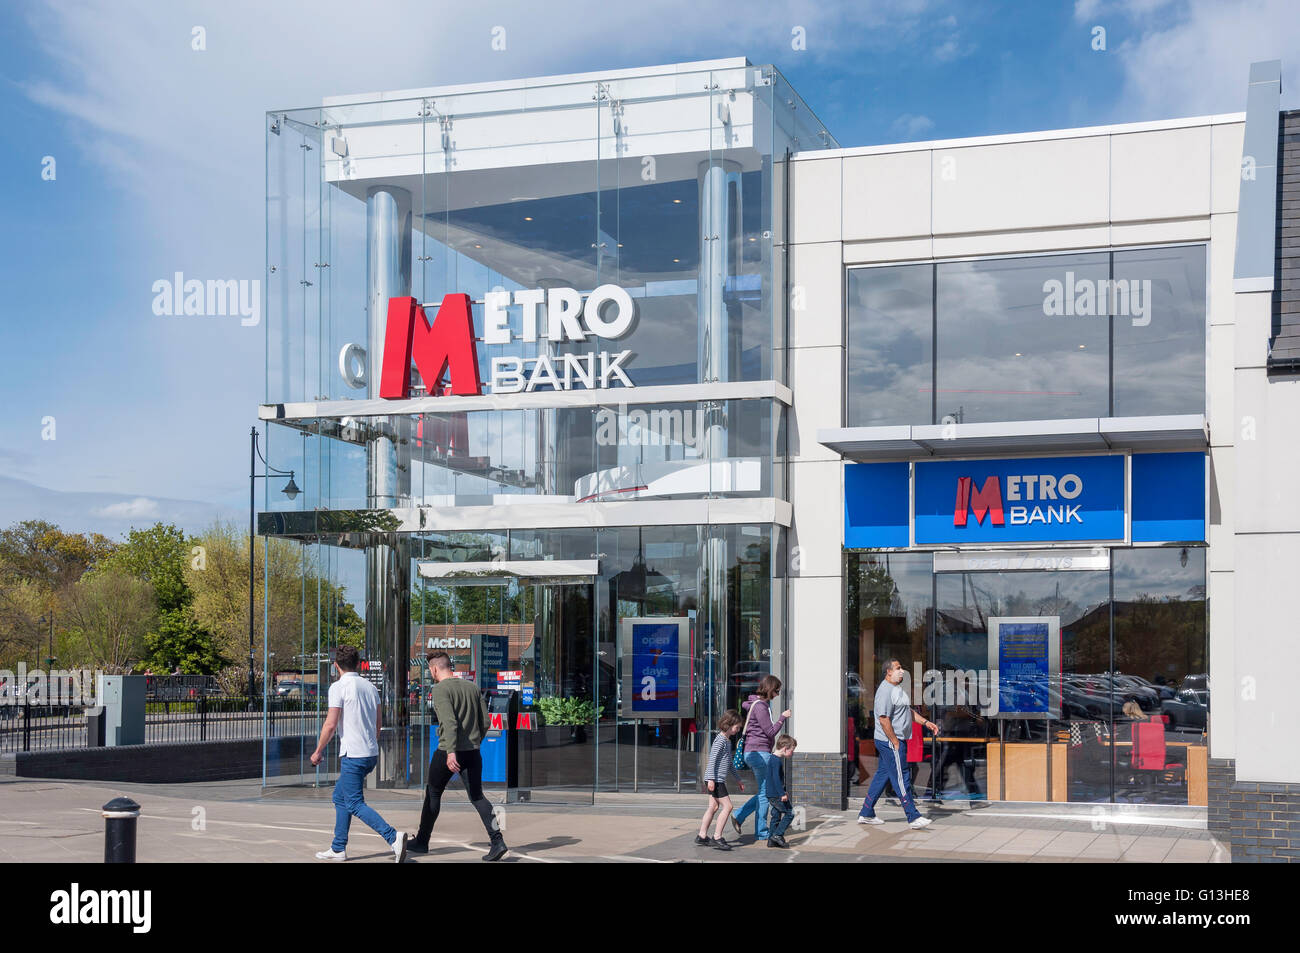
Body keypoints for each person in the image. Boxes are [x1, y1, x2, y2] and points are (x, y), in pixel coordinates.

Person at [407, 651, 508, 862]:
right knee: (478, 797)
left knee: (433, 793)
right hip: (472, 751)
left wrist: (451, 751)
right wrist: (474, 742)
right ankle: (497, 841)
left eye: (430, 670)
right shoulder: (471, 687)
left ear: (434, 669)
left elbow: (449, 723)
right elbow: (486, 721)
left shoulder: (441, 689)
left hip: (448, 751)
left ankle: (422, 841)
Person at [310, 645, 406, 862]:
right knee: (340, 797)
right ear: (358, 664)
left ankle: (393, 837)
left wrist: (318, 751)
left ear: (336, 666)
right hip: (370, 752)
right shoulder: (370, 687)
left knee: (354, 803)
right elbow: (378, 724)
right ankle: (338, 848)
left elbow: (331, 724)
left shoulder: (338, 687)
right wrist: (369, 743)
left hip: (353, 754)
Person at [857, 659, 939, 829]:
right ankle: (913, 816)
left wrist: (925, 722)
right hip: (890, 741)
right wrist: (894, 741)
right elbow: (883, 719)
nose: (901, 671)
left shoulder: (896, 689)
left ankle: (866, 813)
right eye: (898, 668)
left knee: (882, 776)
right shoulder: (885, 691)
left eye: (901, 667)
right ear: (888, 671)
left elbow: (906, 710)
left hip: (894, 740)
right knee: (902, 777)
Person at [730, 675, 790, 842]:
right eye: (776, 691)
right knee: (766, 793)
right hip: (759, 753)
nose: (777, 694)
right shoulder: (761, 707)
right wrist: (782, 717)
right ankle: (761, 831)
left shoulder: (756, 704)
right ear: (770, 689)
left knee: (764, 792)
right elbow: (770, 732)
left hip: (755, 752)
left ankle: (740, 815)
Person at [696, 710, 745, 851]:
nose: (738, 729)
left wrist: (738, 780)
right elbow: (712, 760)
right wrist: (710, 779)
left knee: (714, 807)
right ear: (728, 725)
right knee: (728, 807)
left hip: (716, 779)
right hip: (715, 780)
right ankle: (717, 837)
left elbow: (729, 763)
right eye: (737, 727)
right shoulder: (720, 740)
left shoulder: (727, 741)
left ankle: (702, 835)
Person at [764, 734, 799, 848]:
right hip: (776, 795)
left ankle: (771, 840)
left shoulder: (773, 759)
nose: (792, 753)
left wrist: (783, 791)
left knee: (776, 815)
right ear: (785, 748)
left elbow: (777, 779)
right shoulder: (776, 761)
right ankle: (778, 835)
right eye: (792, 750)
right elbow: (775, 779)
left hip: (773, 794)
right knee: (790, 813)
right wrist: (781, 793)